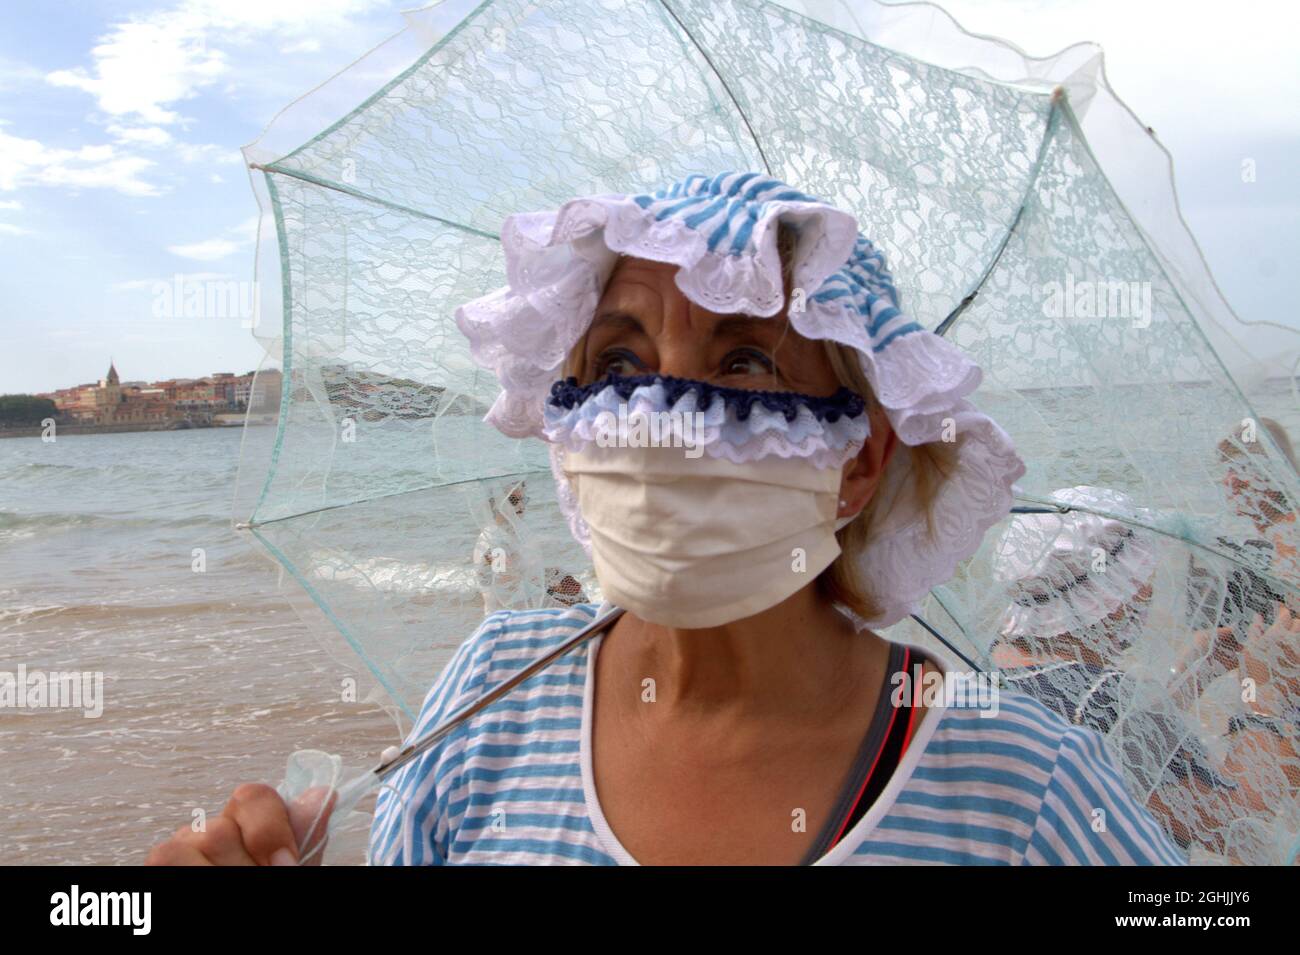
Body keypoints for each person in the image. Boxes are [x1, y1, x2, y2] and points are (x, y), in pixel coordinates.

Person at [147, 171, 1185, 866]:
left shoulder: (1022, 786)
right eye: (616, 365)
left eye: (742, 360)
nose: (654, 421)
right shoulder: (488, 703)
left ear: (859, 459)